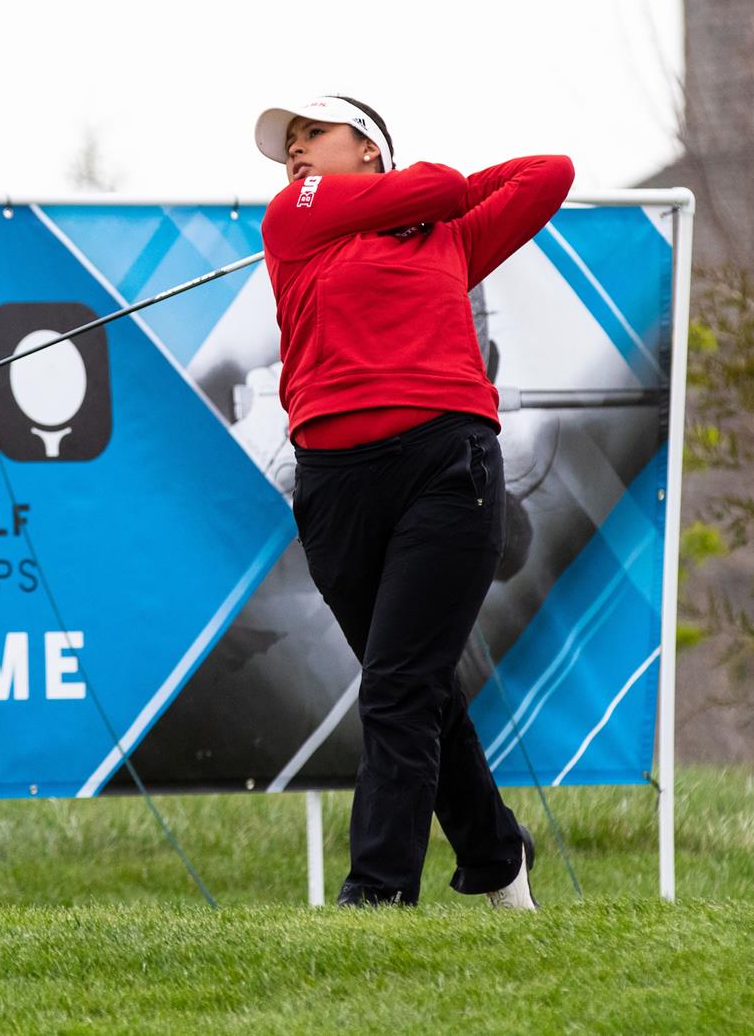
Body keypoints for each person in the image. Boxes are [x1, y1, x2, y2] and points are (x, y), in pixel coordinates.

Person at [253, 95, 574, 908]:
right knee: (415, 684)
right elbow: (433, 184)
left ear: (370, 150)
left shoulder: (450, 237)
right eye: (287, 143)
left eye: (311, 135)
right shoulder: (295, 217)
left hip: (447, 467)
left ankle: (379, 895)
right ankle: (499, 859)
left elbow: (550, 174)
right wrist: (441, 189)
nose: (293, 152)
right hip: (333, 481)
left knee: (398, 686)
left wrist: (452, 194)